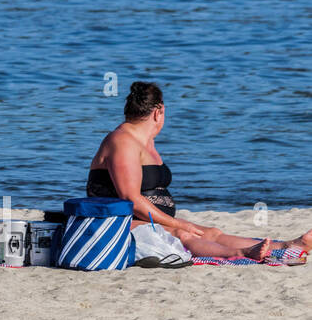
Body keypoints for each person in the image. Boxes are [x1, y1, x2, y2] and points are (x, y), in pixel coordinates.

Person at [86, 81, 312, 260]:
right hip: (116, 222)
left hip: (148, 220)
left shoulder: (145, 141)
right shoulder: (123, 141)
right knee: (183, 234)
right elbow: (130, 199)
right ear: (159, 111)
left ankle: (286, 246)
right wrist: (178, 223)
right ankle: (241, 254)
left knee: (210, 232)